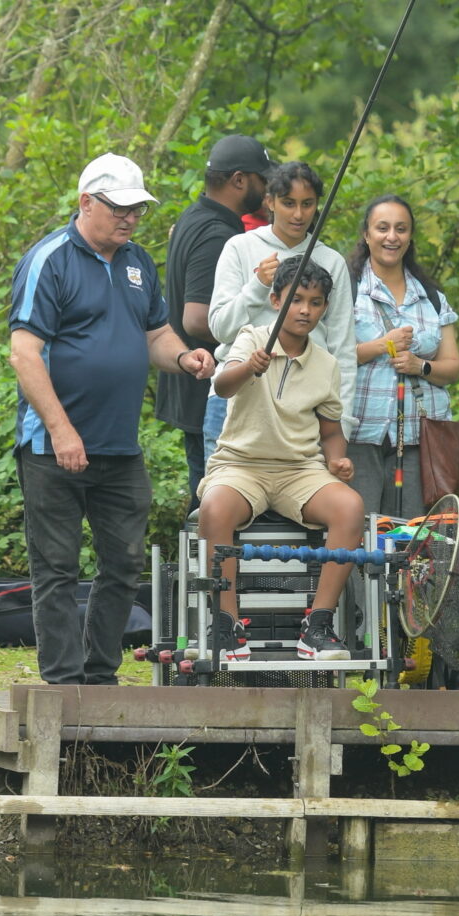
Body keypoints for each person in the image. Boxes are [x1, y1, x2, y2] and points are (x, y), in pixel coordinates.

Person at [10, 153, 214, 685]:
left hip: (120, 448)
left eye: (137, 210)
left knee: (123, 564)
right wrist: (61, 429)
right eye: (119, 207)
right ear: (86, 203)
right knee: (57, 567)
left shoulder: (138, 261)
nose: (129, 219)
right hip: (53, 446)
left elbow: (156, 336)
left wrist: (186, 356)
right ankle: (62, 680)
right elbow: (24, 353)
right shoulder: (49, 259)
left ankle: (100, 675)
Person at [196, 258, 364, 662]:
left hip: (299, 470)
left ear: (324, 308)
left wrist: (338, 461)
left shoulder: (327, 365)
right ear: (275, 300)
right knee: (215, 506)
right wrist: (248, 367)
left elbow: (330, 432)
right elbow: (221, 384)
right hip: (241, 464)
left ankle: (318, 626)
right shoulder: (250, 337)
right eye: (296, 300)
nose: (305, 310)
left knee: (350, 507)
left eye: (316, 302)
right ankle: (227, 626)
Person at [154, 133, 274, 505]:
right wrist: (265, 337)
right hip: (207, 388)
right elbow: (196, 319)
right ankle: (208, 565)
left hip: (195, 386)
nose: (268, 188)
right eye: (262, 179)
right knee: (213, 504)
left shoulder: (195, 216)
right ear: (240, 180)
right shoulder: (218, 234)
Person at [207, 160, 357, 435]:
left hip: (306, 404)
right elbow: (221, 328)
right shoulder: (239, 247)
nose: (299, 214)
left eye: (307, 204)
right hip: (237, 399)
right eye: (288, 203)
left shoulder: (331, 261)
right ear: (270, 202)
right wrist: (257, 285)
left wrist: (341, 426)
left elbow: (343, 351)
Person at [346, 193, 459, 519]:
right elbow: (327, 359)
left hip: (417, 440)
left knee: (413, 535)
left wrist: (420, 366)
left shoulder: (432, 298)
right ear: (367, 235)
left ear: (410, 237)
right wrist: (383, 345)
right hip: (358, 433)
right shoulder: (346, 291)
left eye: (401, 229)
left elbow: (452, 367)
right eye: (382, 228)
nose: (392, 237)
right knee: (359, 532)